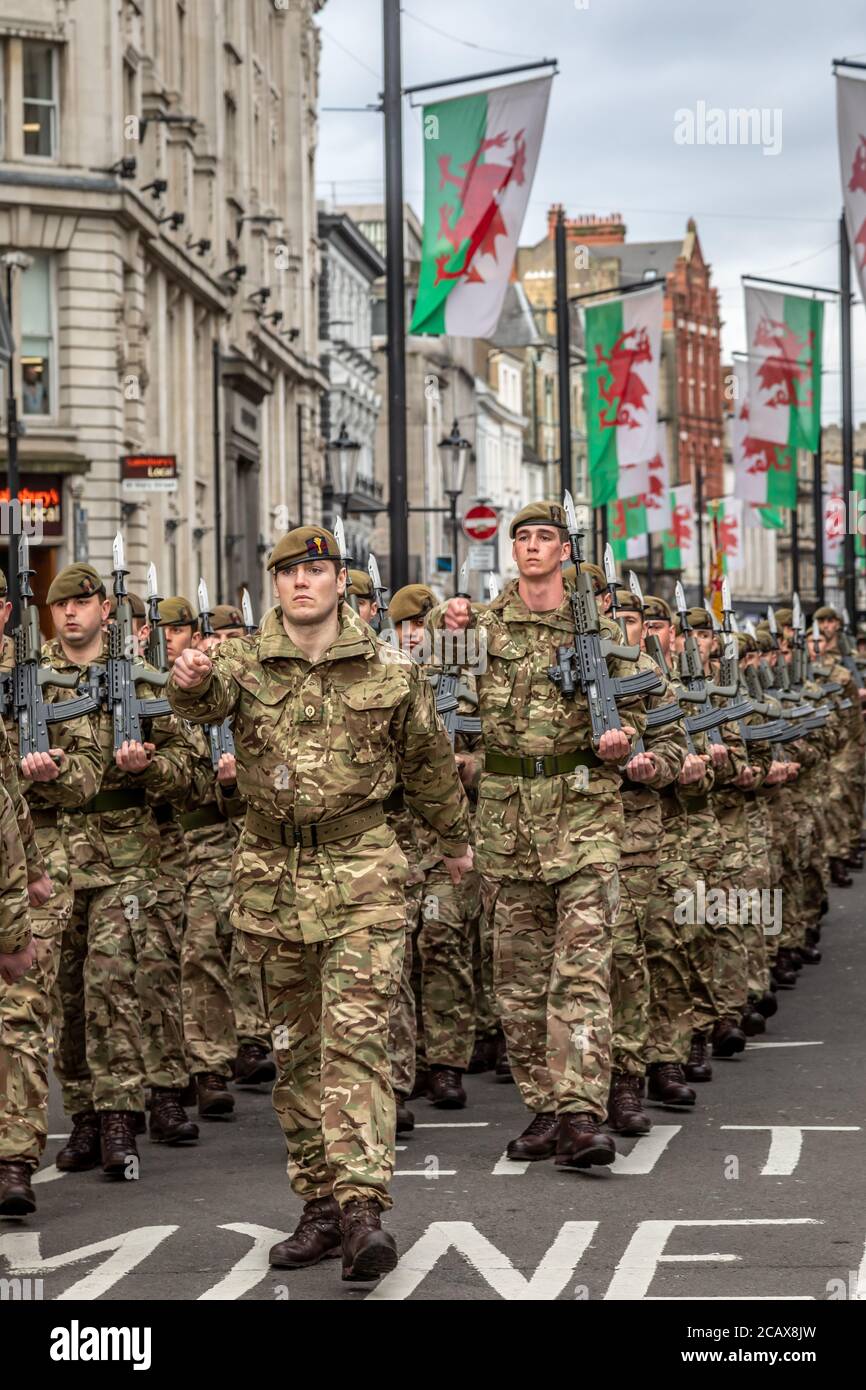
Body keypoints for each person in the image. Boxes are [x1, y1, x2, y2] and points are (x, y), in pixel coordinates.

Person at [168, 525, 472, 1283]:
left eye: (317, 569)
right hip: (272, 875)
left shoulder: (393, 670)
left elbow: (431, 764)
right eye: (289, 572)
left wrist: (458, 844)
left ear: (341, 581)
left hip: (363, 870)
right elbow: (202, 705)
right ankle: (321, 1205)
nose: (304, 582)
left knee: (359, 1039)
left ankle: (364, 1206)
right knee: (296, 1050)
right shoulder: (242, 662)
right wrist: (186, 677)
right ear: (274, 586)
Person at [432, 503, 648, 1169]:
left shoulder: (603, 628)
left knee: (579, 973)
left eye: (544, 538)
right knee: (518, 984)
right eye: (521, 537)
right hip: (506, 822)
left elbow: (642, 710)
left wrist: (621, 739)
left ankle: (583, 1114)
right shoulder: (485, 626)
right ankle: (548, 1108)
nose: (531, 547)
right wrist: (445, 631)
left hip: (584, 821)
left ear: (564, 551)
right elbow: (425, 690)